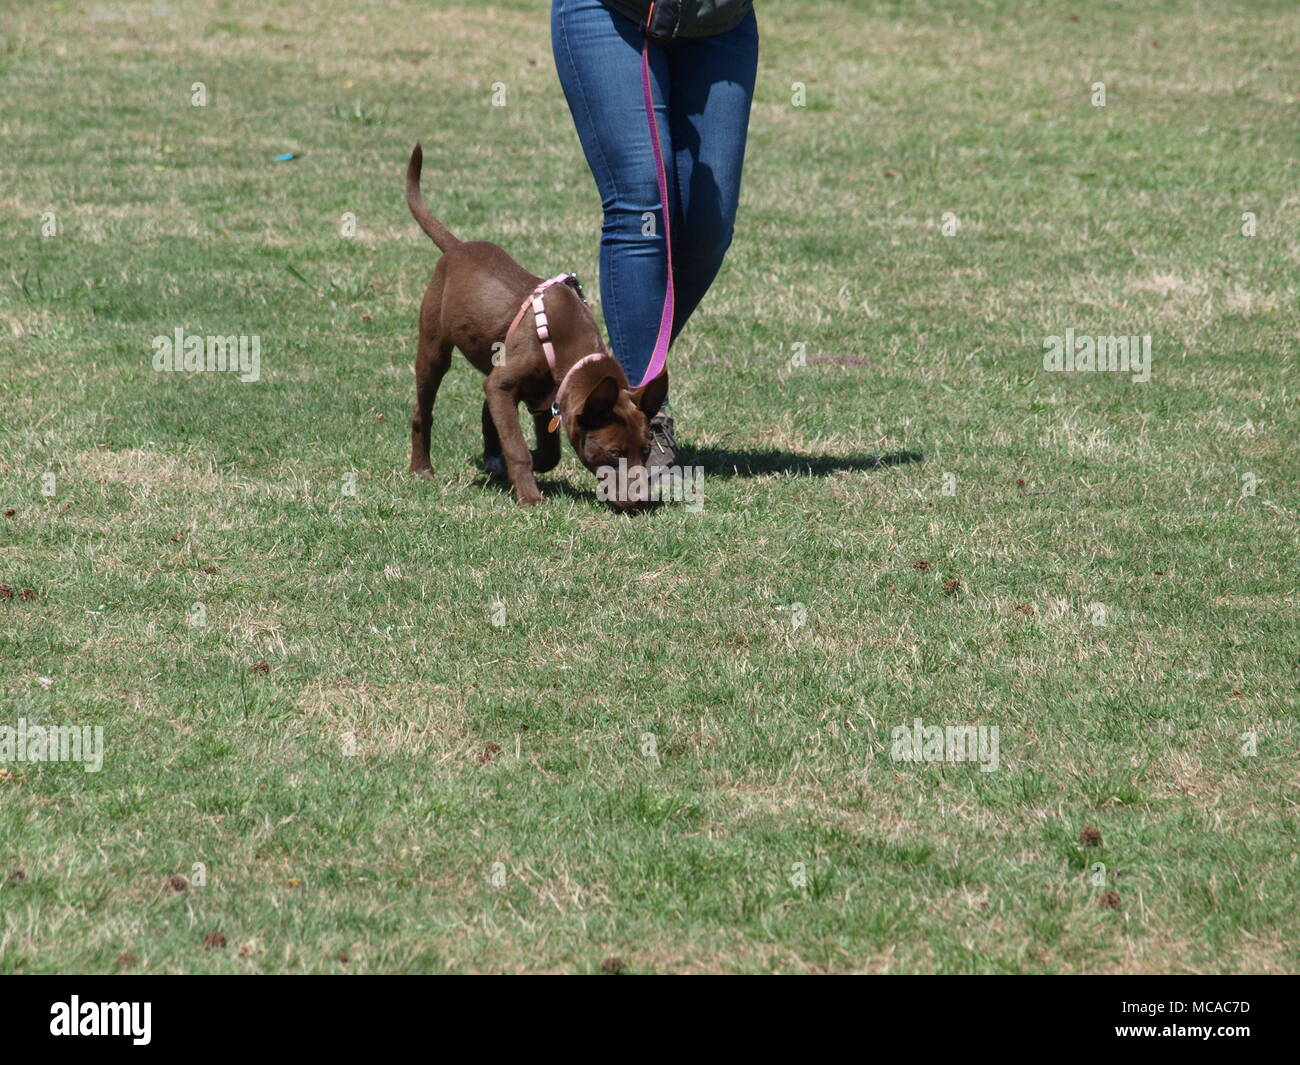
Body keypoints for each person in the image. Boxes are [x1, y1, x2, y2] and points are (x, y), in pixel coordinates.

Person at [551, 0, 759, 470]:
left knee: (709, 225)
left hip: (718, 22)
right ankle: (642, 414)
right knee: (641, 198)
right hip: (613, 12)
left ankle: (595, 387)